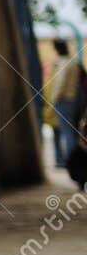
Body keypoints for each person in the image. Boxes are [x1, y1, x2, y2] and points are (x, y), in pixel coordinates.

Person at [44, 39, 83, 169]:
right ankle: (65, 159)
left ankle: (69, 160)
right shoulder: (73, 62)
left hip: (62, 100)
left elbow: (59, 84)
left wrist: (53, 100)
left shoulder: (62, 63)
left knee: (66, 131)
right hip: (73, 99)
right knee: (69, 130)